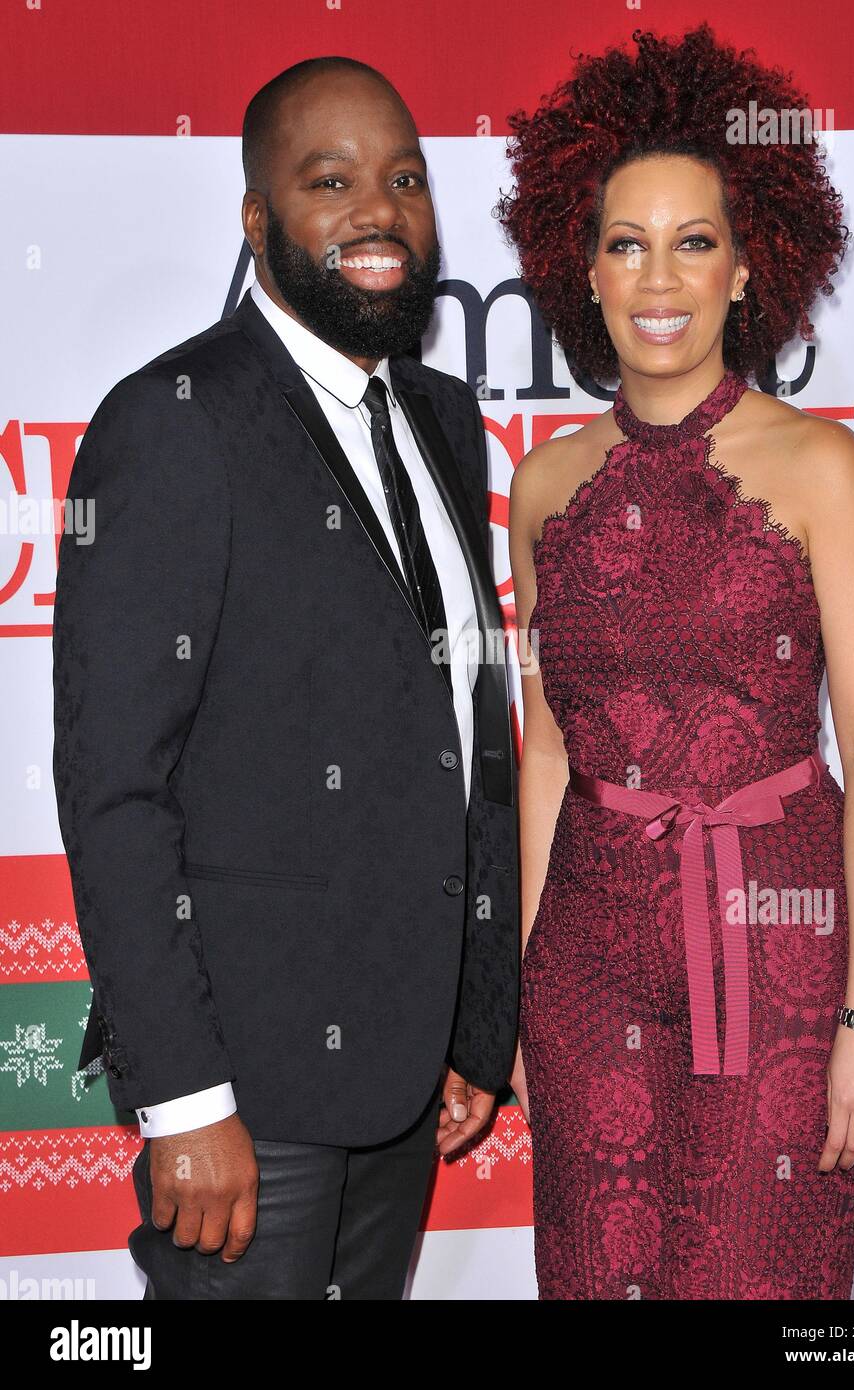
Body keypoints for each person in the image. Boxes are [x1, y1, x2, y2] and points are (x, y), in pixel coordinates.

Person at [51, 56, 518, 1301]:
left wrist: (474, 1016)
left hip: (408, 1069)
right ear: (257, 222)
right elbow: (114, 788)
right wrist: (186, 1099)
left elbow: (468, 730)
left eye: (404, 179)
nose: (378, 212)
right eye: (330, 181)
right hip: (245, 1092)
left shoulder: (443, 415)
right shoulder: (174, 418)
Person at [500, 25, 854, 1299]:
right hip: (583, 966)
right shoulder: (542, 485)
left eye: (695, 242)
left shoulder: (823, 471)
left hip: (778, 958)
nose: (658, 277)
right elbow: (549, 749)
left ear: (747, 269)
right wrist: (523, 987)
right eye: (627, 243)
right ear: (583, 266)